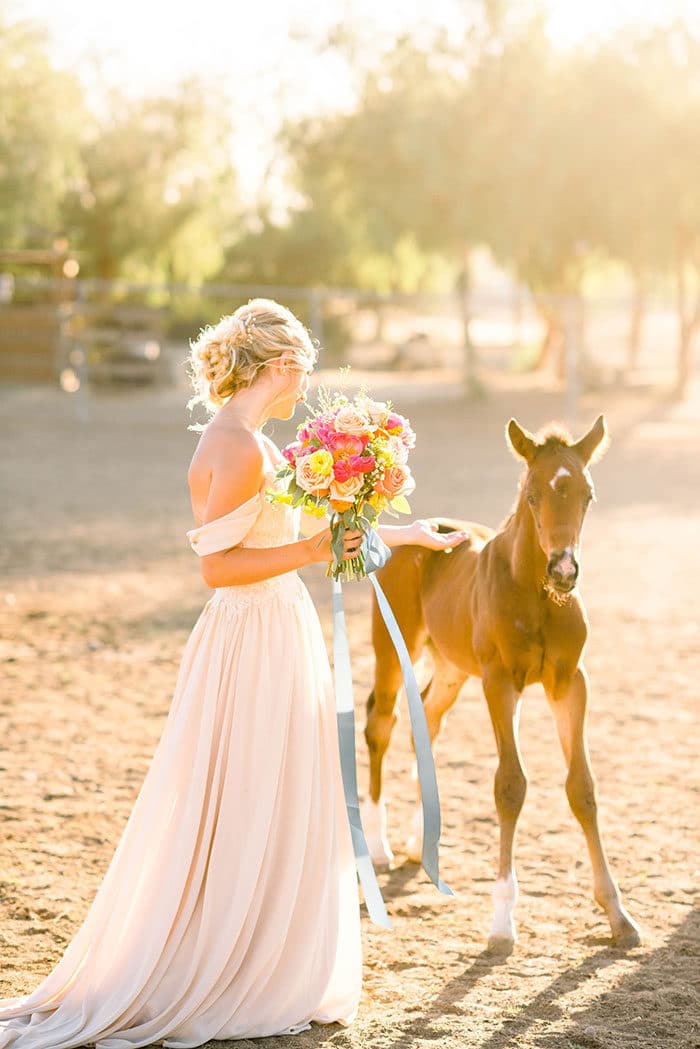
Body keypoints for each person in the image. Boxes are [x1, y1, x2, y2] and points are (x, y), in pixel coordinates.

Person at [0, 299, 469, 1049]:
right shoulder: (238, 445)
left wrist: (405, 531)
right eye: (303, 370)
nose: (304, 385)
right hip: (249, 632)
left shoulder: (251, 438)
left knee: (273, 788)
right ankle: (230, 960)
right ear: (279, 365)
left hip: (274, 627)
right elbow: (218, 567)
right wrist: (315, 554)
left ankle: (261, 951)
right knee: (248, 787)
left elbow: (300, 530)